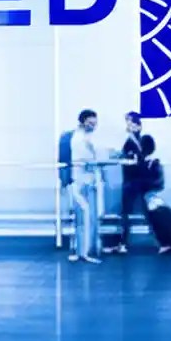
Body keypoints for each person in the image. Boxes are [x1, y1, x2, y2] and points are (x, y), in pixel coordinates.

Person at [109, 111, 160, 254]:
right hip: (138, 181)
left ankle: (124, 243)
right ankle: (161, 241)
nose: (128, 125)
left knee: (129, 212)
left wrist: (125, 158)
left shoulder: (135, 141)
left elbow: (136, 158)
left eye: (130, 122)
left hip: (132, 181)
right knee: (145, 212)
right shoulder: (133, 141)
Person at [68, 110, 102, 264]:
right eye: (90, 123)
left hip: (87, 182)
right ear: (82, 122)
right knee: (85, 216)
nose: (93, 126)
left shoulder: (87, 138)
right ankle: (84, 252)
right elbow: (87, 160)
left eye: (95, 123)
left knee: (85, 218)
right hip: (80, 183)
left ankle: (82, 250)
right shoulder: (79, 139)